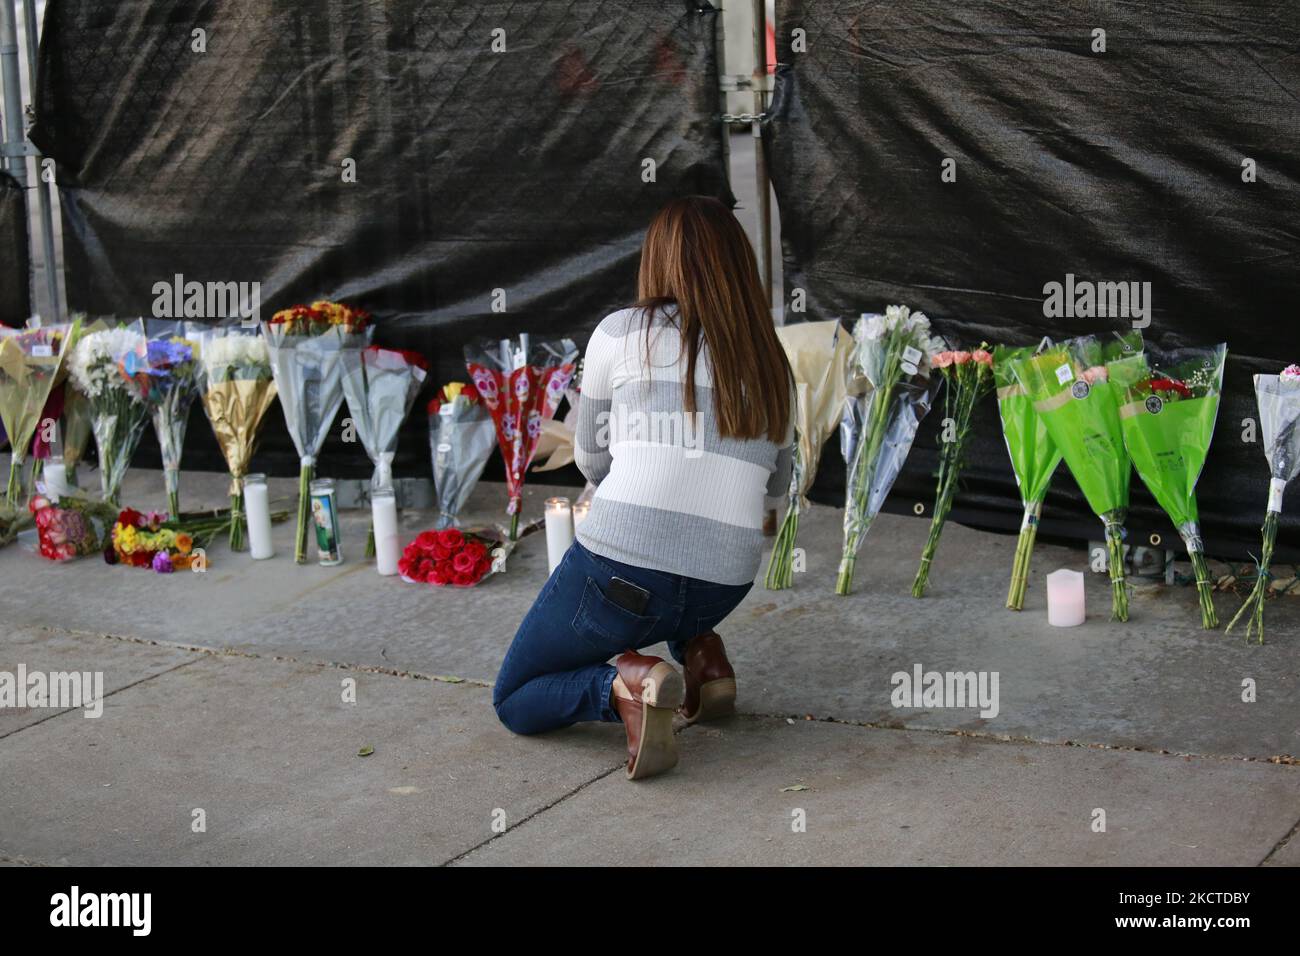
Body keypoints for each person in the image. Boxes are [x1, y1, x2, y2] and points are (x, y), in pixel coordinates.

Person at [493, 196, 794, 780]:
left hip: (621, 576)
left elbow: (592, 459)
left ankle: (626, 688)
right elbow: (775, 483)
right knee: (682, 571)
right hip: (724, 584)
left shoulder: (619, 332)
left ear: (657, 262)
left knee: (515, 697)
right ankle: (704, 659)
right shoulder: (770, 359)